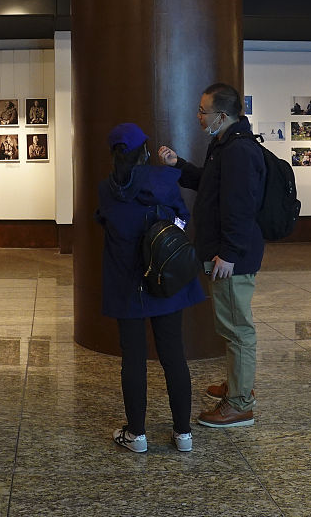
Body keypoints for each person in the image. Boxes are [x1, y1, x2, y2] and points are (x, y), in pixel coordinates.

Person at [158, 82, 265, 429]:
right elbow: (211, 185)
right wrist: (179, 165)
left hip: (233, 256)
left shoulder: (238, 150)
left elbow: (240, 206)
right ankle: (237, 385)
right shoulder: (224, 145)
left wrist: (229, 253)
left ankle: (240, 404)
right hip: (225, 252)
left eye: (203, 111)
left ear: (222, 114)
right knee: (230, 324)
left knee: (237, 329)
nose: (199, 116)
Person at [96, 123, 203, 453]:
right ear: (145, 151)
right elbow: (183, 220)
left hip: (127, 285)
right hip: (165, 281)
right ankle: (183, 433)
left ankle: (137, 435)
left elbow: (104, 221)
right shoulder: (165, 181)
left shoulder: (106, 189)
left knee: (133, 359)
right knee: (174, 356)